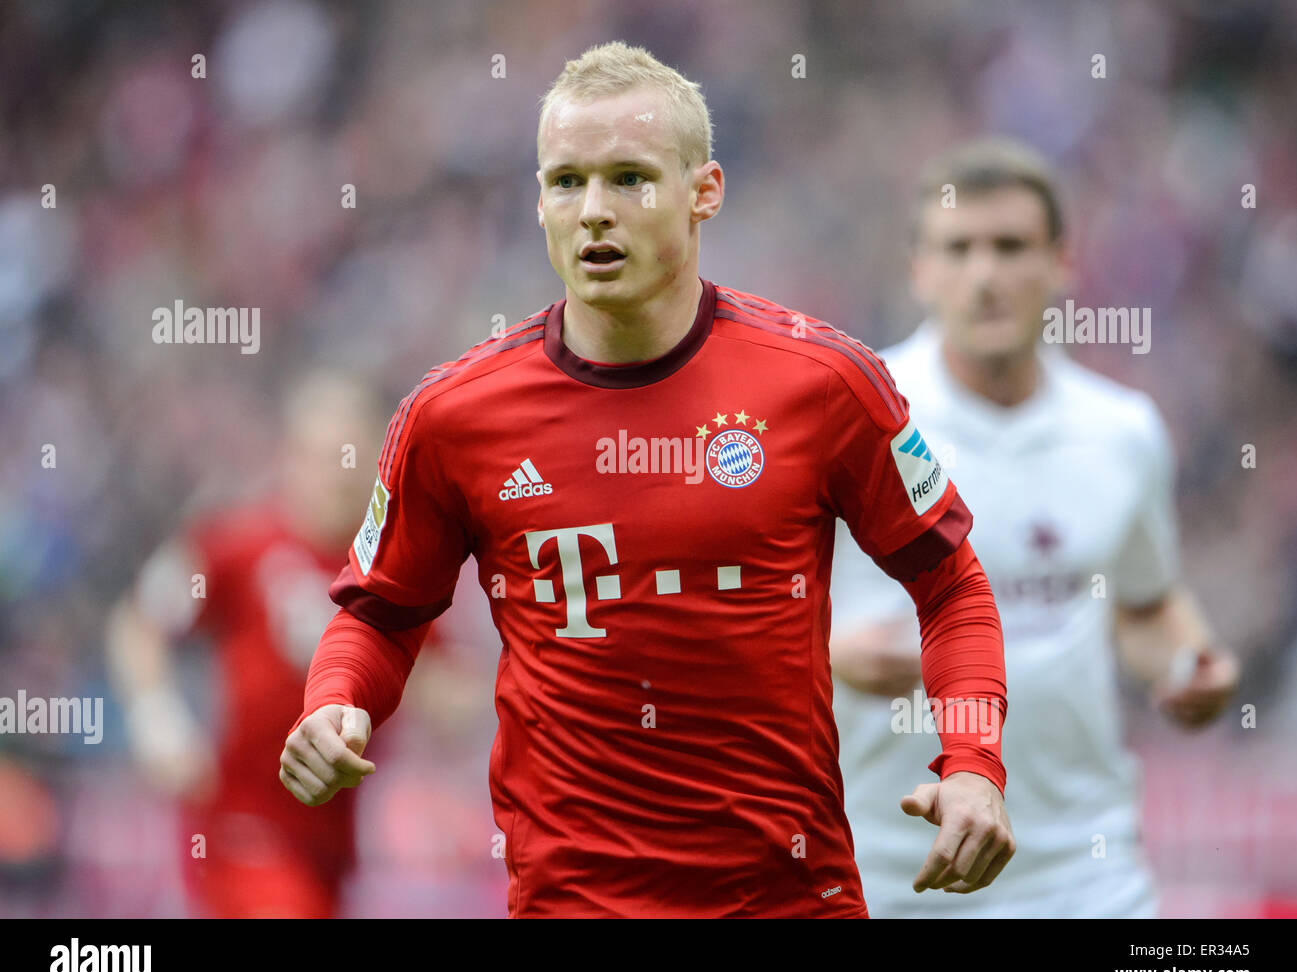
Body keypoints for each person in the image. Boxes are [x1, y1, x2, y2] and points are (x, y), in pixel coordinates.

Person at [280, 41, 1014, 918]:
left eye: (630, 179)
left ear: (704, 191)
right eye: (566, 182)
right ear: (539, 203)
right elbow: (380, 615)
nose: (594, 211)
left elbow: (950, 583)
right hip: (571, 903)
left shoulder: (823, 384)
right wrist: (334, 704)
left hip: (787, 898)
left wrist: (971, 764)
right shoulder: (452, 417)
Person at [829, 138, 1240, 918]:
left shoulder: (1122, 432)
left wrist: (1192, 667)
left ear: (1060, 263)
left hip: (1084, 872)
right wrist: (829, 654)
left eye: (1011, 247)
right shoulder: (852, 419)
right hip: (889, 871)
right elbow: (748, 608)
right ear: (919, 268)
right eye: (959, 249)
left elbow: (1146, 607)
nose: (985, 275)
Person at [107, 370, 415, 917]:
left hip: (330, 842)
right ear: (289, 455)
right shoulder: (239, 546)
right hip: (241, 828)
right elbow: (139, 621)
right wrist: (157, 717)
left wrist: (363, 662)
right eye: (318, 454)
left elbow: (453, 689)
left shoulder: (391, 569)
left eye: (348, 455)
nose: (334, 475)